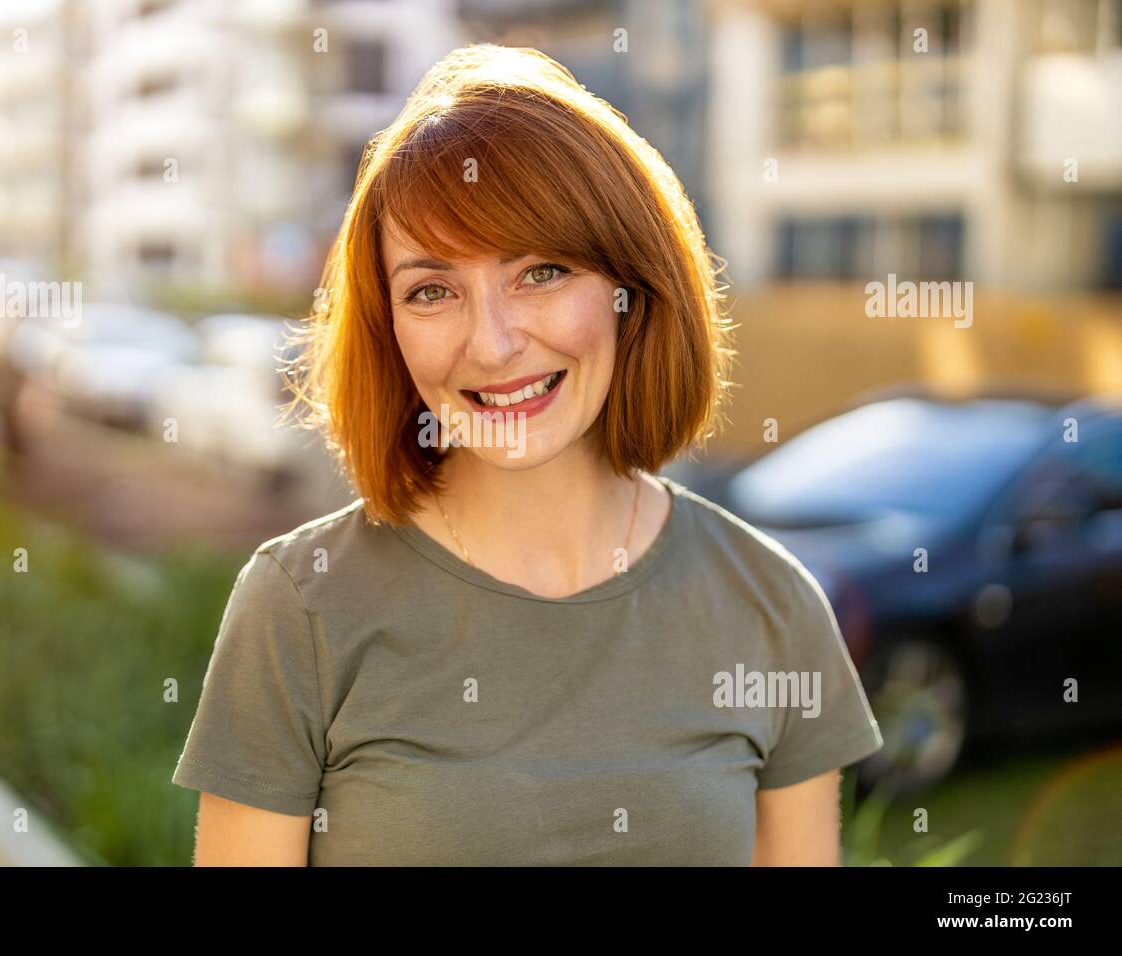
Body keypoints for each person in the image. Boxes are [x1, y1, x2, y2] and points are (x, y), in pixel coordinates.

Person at [171, 44, 882, 865]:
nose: (494, 342)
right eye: (431, 290)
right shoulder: (300, 606)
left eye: (541, 272)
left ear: (632, 288)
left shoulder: (773, 608)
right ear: (389, 328)